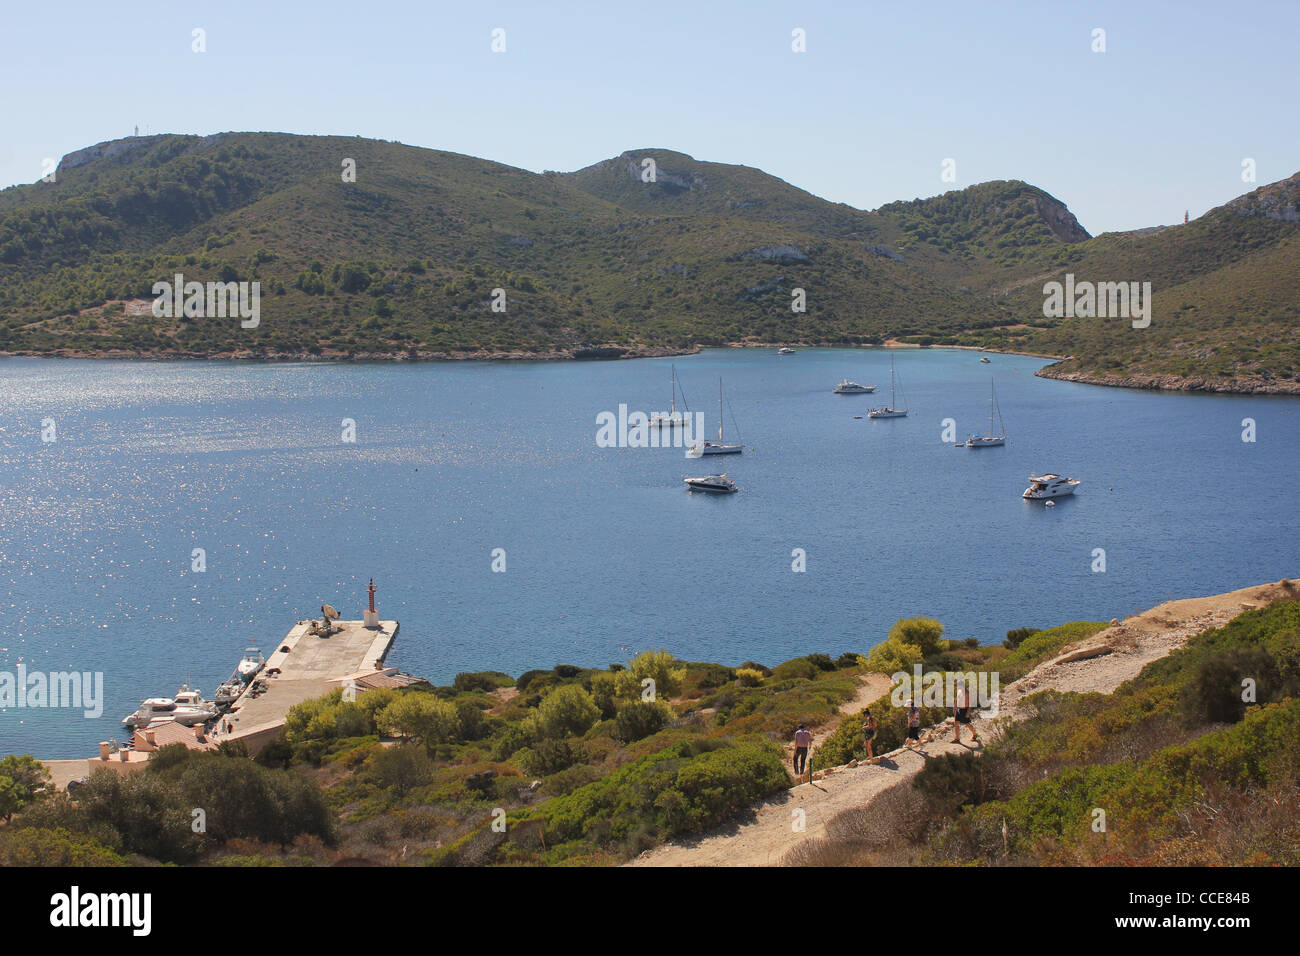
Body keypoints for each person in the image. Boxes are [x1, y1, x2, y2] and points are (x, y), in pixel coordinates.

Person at [952, 680, 980, 744]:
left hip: (964, 710)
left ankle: (974, 734)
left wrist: (968, 712)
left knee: (967, 724)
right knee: (956, 723)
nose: (957, 686)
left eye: (958, 685)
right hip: (958, 709)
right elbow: (957, 699)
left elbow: (970, 703)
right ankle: (957, 738)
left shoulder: (967, 693)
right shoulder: (959, 691)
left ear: (962, 685)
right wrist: (954, 707)